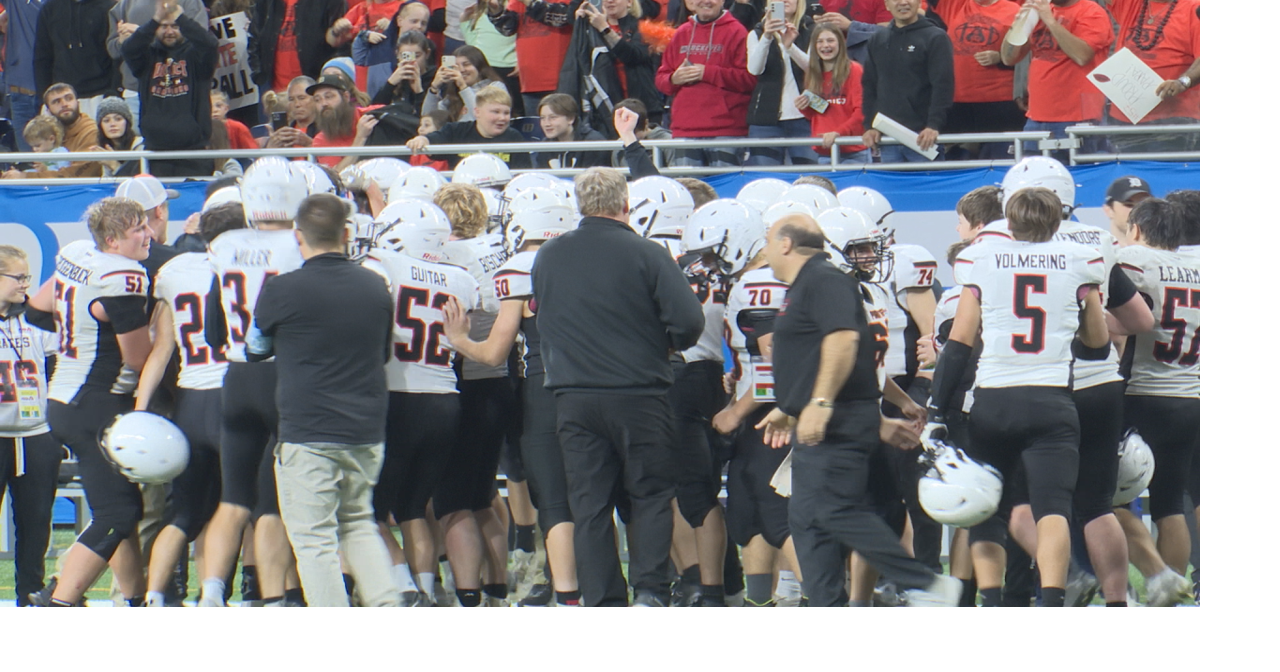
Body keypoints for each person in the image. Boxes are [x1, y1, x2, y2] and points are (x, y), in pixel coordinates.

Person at [755, 212, 959, 607]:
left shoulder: (824, 281)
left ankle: (925, 584)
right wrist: (792, 405)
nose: (764, 251)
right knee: (807, 520)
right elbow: (835, 358)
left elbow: (845, 343)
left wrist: (819, 402)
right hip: (827, 418)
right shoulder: (813, 285)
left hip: (835, 421)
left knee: (835, 510)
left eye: (768, 241)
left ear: (785, 244)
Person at [927, 187, 1111, 607]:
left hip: (993, 398)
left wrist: (936, 408)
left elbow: (959, 341)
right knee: (1052, 509)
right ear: (1057, 221)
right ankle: (1051, 599)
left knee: (988, 509)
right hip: (1051, 400)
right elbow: (1098, 344)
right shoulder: (1079, 261)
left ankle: (991, 600)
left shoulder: (981, 258)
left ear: (1007, 222)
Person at [532, 167, 705, 607]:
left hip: (572, 396)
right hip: (639, 393)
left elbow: (546, 318)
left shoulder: (549, 255)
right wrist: (663, 345)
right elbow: (688, 322)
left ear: (580, 205)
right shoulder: (646, 252)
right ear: (625, 204)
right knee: (649, 494)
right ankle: (649, 590)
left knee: (589, 505)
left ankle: (603, 598)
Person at [248, 193, 399, 608]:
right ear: (346, 234)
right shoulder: (375, 285)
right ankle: (387, 599)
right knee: (358, 523)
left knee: (313, 539)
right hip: (366, 427)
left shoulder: (282, 288)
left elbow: (254, 349)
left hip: (308, 429)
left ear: (298, 236)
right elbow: (383, 352)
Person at [441, 197, 584, 607]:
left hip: (538, 388)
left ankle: (562, 591)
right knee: (596, 496)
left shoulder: (518, 267)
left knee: (552, 500)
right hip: (600, 386)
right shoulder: (594, 260)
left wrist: (460, 339)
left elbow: (492, 353)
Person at [23, 197, 154, 608]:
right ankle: (59, 597)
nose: (148, 235)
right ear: (113, 240)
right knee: (117, 513)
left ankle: (133, 598)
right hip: (96, 402)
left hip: (65, 396)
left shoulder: (79, 257)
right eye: (139, 229)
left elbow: (37, 311)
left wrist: (79, 327)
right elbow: (138, 358)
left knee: (121, 510)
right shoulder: (123, 275)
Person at [199, 159, 308, 608]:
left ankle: (210, 594)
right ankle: (277, 593)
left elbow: (212, 328)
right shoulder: (300, 246)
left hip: (237, 374)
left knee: (233, 499)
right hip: (284, 375)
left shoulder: (225, 244)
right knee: (276, 502)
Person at [360, 202, 479, 607]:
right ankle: (427, 589)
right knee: (413, 507)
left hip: (395, 397)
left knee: (368, 512)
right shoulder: (461, 278)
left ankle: (407, 589)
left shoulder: (381, 265)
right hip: (445, 399)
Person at [129, 201, 244, 607]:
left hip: (190, 400)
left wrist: (141, 409)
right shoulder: (249, 266)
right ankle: (214, 591)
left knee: (182, 514)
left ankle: (156, 594)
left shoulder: (174, 271)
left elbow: (160, 350)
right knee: (236, 507)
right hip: (236, 394)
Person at [433, 183, 517, 607]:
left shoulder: (452, 257)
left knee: (452, 501)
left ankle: (467, 592)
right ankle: (497, 588)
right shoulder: (499, 250)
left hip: (466, 382)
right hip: (500, 380)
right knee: (483, 493)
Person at [1115, 197, 1199, 606]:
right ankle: (1166, 597)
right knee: (1170, 503)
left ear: (1136, 229)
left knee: (1100, 499)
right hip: (1189, 396)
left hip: (1141, 395)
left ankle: (1156, 575)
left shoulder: (1133, 258)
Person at [0, 246, 62, 607]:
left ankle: (29, 596)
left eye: (27, 277)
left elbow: (56, 368)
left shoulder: (38, 318)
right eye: (18, 277)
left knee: (36, 525)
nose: (26, 285)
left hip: (36, 435)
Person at [1000, 0, 1113, 159]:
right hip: (1036, 117)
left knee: (1077, 176)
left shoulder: (1091, 11)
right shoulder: (1040, 11)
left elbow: (1082, 55)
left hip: (1078, 117)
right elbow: (1008, 58)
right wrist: (1017, 26)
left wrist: (1050, 21)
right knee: (1035, 178)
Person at [122, 1, 220, 178]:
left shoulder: (197, 57)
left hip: (194, 152)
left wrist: (181, 17)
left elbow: (210, 44)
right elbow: (129, 49)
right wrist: (155, 18)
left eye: (175, 26)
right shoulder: (147, 57)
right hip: (155, 151)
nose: (169, 31)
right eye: (163, 26)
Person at [655, 0, 757, 167]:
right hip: (685, 129)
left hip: (726, 130)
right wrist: (674, 79)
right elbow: (661, 80)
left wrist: (707, 72)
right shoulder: (681, 32)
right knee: (690, 189)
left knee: (725, 189)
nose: (706, 2)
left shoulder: (737, 32)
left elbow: (749, 80)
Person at [860, 0, 953, 163]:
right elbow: (869, 85)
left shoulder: (936, 37)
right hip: (886, 138)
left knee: (928, 188)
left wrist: (934, 125)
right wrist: (870, 126)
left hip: (923, 138)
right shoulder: (877, 39)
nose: (903, 3)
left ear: (919, 3)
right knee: (891, 188)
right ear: (887, 5)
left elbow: (943, 86)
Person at [932, 0, 1024, 160]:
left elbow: (1028, 54)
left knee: (999, 163)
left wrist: (1001, 57)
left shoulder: (1014, 11)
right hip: (958, 104)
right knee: (959, 166)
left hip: (1000, 103)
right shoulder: (955, 5)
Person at [1104, 0, 1200, 151]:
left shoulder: (1194, 8)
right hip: (1123, 117)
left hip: (1173, 120)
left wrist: (1182, 82)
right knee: (1126, 174)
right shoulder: (1132, 3)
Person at [562, 0, 663, 129]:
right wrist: (580, 26)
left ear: (629, 2)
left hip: (643, 105)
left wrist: (605, 29)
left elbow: (634, 55)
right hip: (604, 109)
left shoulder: (643, 28)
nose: (610, 1)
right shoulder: (592, 30)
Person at [106, 0, 209, 123]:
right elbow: (113, 50)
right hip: (135, 93)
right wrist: (122, 42)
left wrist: (140, 35)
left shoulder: (190, 2)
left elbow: (200, 42)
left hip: (180, 89)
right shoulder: (124, 4)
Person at [745, 0, 816, 166]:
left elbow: (813, 68)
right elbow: (755, 69)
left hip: (804, 116)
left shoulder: (811, 30)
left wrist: (790, 47)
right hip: (766, 119)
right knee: (766, 178)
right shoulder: (756, 33)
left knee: (808, 174)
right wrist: (767, 37)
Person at [407, 84, 531, 168]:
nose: (502, 118)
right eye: (496, 112)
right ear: (477, 112)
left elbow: (521, 177)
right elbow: (433, 139)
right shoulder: (456, 130)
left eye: (506, 113)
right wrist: (422, 139)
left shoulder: (515, 138)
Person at [797, 22, 869, 164]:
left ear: (841, 44)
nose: (825, 46)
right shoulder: (813, 74)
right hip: (824, 152)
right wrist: (804, 107)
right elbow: (817, 115)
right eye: (820, 41)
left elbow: (861, 112)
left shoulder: (854, 70)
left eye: (830, 40)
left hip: (853, 151)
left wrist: (838, 133)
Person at [32, 0, 114, 118]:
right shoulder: (50, 9)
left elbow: (115, 57)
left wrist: (112, 94)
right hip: (60, 98)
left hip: (100, 96)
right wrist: (44, 99)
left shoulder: (108, 7)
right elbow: (42, 58)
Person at [2, 84, 102, 179]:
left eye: (69, 98)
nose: (64, 104)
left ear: (77, 102)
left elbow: (74, 176)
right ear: (48, 110)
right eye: (56, 101)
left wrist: (25, 177)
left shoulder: (91, 132)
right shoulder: (48, 131)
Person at [494, 0, 575, 118]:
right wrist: (495, 11)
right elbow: (508, 29)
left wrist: (528, 2)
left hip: (560, 81)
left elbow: (563, 18)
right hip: (529, 81)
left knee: (563, 128)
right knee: (535, 132)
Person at [250, 0, 346, 95]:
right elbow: (254, 38)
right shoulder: (266, 3)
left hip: (316, 90)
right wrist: (260, 77)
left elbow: (342, 43)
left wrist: (328, 81)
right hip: (274, 93)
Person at [353, 1, 434, 105]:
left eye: (423, 23)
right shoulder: (378, 43)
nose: (419, 26)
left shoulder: (429, 48)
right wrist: (363, 37)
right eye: (414, 21)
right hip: (377, 105)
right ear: (399, 20)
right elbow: (358, 58)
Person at [461, 0, 522, 116]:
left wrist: (522, 59)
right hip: (484, 67)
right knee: (485, 108)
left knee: (511, 109)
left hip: (509, 68)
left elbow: (523, 35)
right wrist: (464, 21)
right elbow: (473, 42)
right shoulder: (479, 11)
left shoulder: (515, 7)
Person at [308, 74, 381, 170]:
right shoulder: (320, 140)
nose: (324, 103)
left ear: (346, 97)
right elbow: (336, 175)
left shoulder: (373, 114)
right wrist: (360, 138)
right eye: (317, 100)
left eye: (329, 97)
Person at [328, 0, 405, 90]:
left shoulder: (403, 7)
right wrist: (336, 30)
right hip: (361, 68)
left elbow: (414, 38)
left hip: (389, 67)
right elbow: (332, 41)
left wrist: (393, 28)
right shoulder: (361, 8)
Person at [3, 0, 47, 151]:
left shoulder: (60, 5)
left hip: (51, 97)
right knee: (28, 164)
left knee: (54, 164)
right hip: (20, 93)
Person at [422, 45, 506, 121]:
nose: (462, 70)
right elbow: (428, 119)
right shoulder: (453, 94)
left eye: (466, 64)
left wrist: (463, 87)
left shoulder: (496, 87)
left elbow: (481, 116)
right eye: (456, 66)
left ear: (479, 66)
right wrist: (434, 88)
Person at [534, 93, 611, 169]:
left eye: (553, 117)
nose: (546, 124)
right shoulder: (545, 145)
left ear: (571, 118)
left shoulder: (593, 143)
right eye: (542, 118)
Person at [373, 30, 438, 111]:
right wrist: (390, 84)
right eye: (405, 56)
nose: (411, 61)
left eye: (417, 56)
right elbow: (374, 109)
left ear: (427, 54)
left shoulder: (436, 79)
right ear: (397, 54)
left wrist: (418, 91)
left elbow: (428, 118)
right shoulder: (392, 75)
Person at [94, 97, 145, 177]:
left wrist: (114, 164)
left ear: (127, 122)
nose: (112, 124)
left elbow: (136, 183)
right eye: (106, 120)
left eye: (118, 119)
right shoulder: (107, 147)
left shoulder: (140, 146)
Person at [266, 76, 320, 149]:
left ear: (315, 99)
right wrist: (271, 148)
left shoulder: (327, 129)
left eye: (302, 98)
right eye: (291, 99)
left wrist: (309, 144)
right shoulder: (284, 132)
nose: (297, 104)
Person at [1103, 175, 1152, 243]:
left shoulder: (1160, 251)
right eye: (1129, 205)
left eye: (1143, 205)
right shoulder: (1095, 251)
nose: (1137, 211)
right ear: (1109, 210)